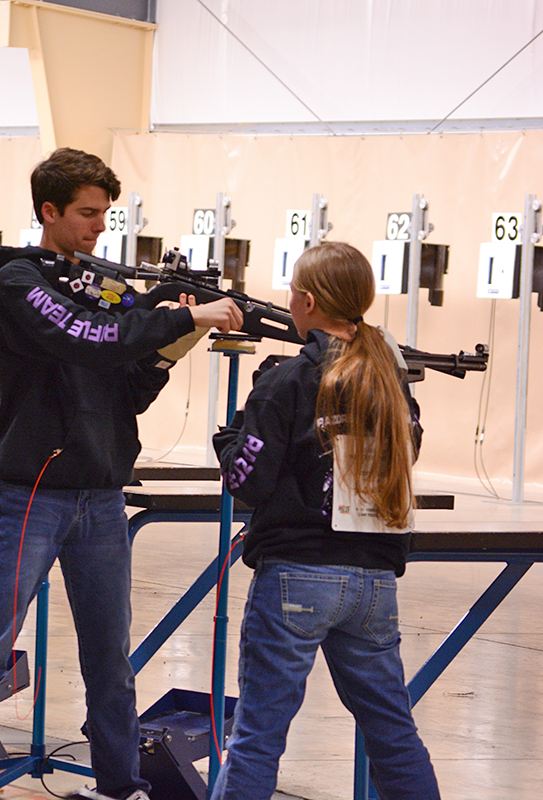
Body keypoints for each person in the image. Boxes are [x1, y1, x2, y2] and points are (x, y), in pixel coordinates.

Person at [0, 148, 243, 800]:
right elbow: (82, 335)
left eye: (104, 214)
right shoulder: (20, 282)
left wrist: (167, 348)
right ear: (49, 211)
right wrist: (177, 316)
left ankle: (119, 787)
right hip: (33, 493)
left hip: (100, 493)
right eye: (87, 213)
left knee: (110, 664)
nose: (98, 225)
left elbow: (126, 385)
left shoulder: (100, 293)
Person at [210, 242, 440, 799]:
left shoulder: (289, 379)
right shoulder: (390, 380)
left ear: (307, 302)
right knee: (393, 732)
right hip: (374, 581)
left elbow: (248, 480)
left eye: (292, 291)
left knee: (258, 736)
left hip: (297, 575)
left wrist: (231, 435)